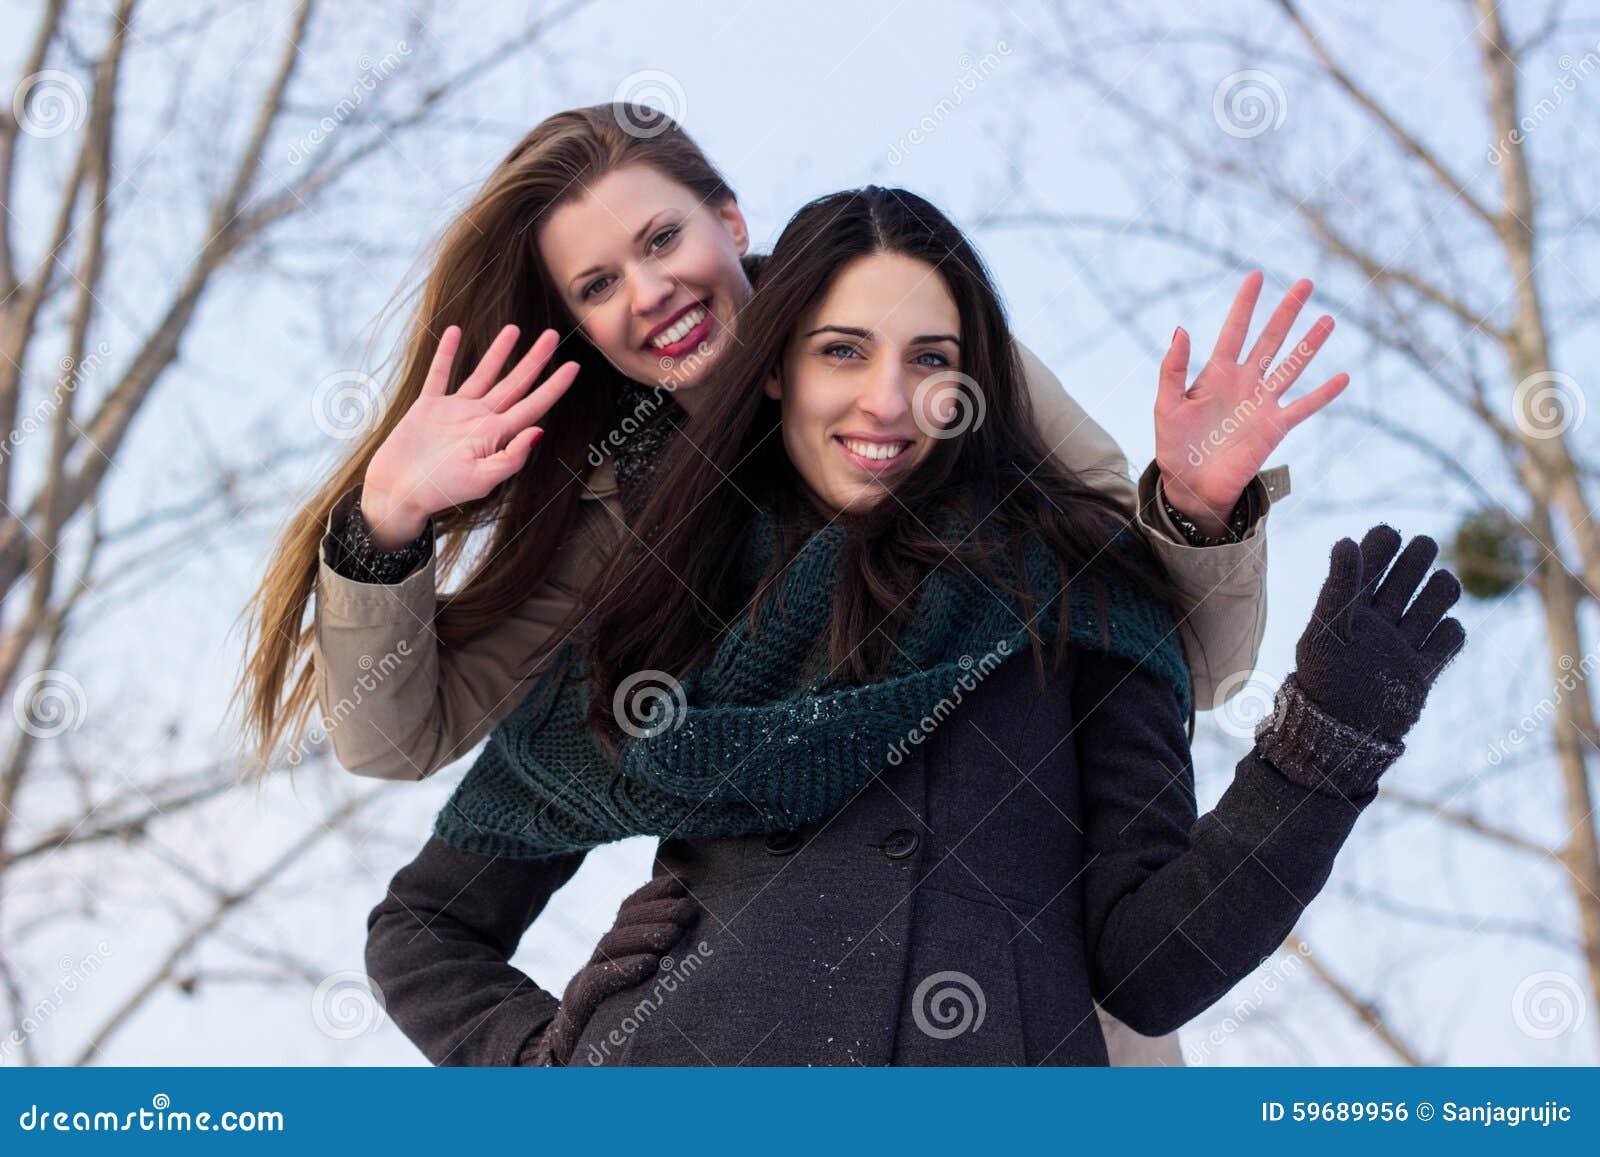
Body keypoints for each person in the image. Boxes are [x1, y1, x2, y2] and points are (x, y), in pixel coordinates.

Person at [363, 186, 1465, 1067]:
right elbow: (426, 927)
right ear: (775, 366)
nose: (886, 400)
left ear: (974, 379)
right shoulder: (669, 594)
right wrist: (539, 1059)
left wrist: (1321, 749)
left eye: (928, 358)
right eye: (841, 350)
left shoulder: (1085, 593)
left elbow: (1150, 965)